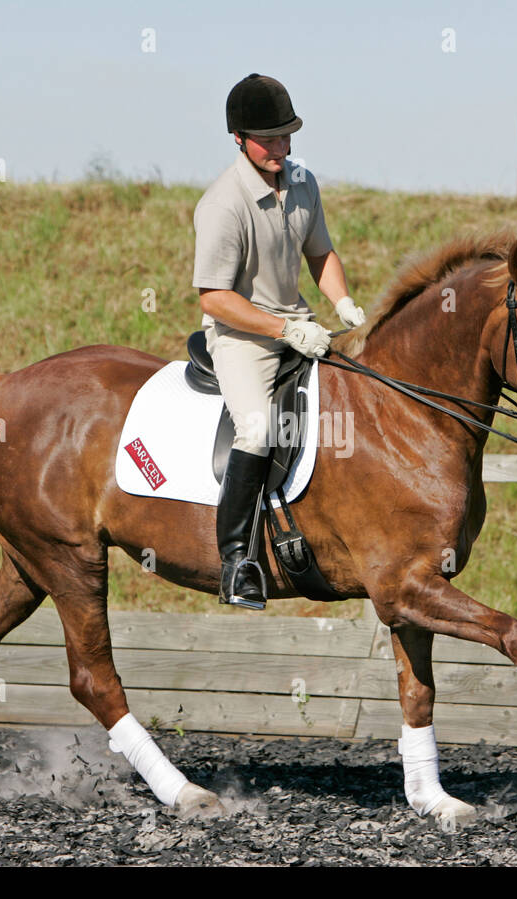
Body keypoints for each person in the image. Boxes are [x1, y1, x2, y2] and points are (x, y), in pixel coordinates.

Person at [193, 73, 366, 609]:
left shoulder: (303, 181)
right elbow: (214, 298)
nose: (280, 147)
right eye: (268, 139)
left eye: (286, 136)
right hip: (243, 336)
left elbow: (322, 254)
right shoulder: (223, 203)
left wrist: (343, 305)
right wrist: (286, 329)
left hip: (302, 325)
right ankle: (236, 562)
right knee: (258, 426)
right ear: (239, 139)